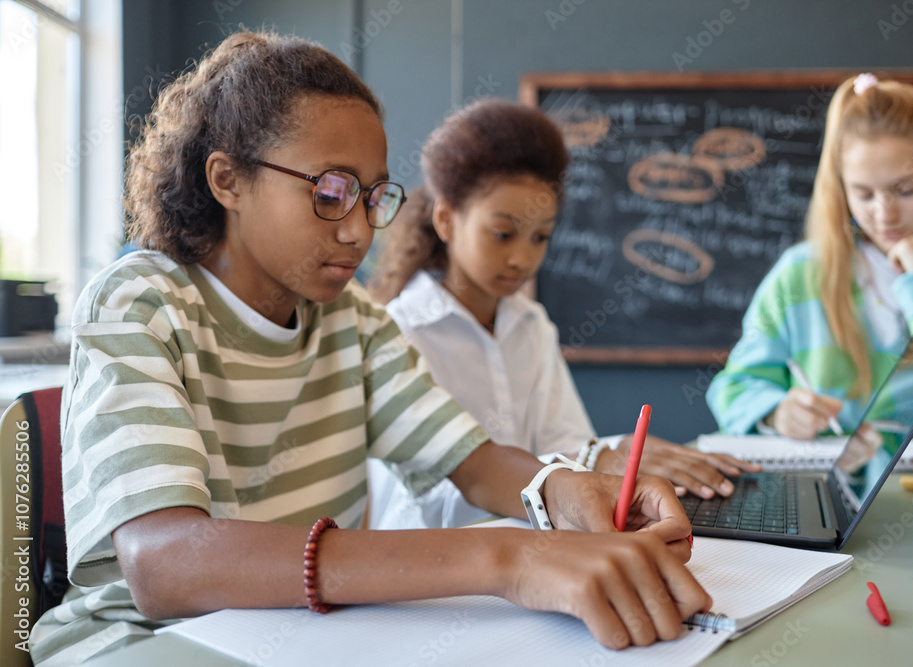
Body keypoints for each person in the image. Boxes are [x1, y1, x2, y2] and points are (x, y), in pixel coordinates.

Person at [28, 32, 711, 665]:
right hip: (141, 643)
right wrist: (508, 557)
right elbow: (166, 563)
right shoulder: (140, 302)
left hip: (297, 636)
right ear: (228, 179)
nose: (358, 230)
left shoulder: (350, 320)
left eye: (373, 196)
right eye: (329, 192)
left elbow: (472, 462)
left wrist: (565, 491)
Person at [365, 99, 758, 529]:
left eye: (540, 237)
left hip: (535, 554)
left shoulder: (530, 325)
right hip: (436, 577)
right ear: (446, 219)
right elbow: (426, 502)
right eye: (502, 233)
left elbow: (567, 442)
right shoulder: (399, 331)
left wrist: (612, 453)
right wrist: (596, 457)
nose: (521, 257)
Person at [707, 74, 913, 454]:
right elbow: (734, 387)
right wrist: (775, 413)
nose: (884, 214)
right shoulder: (800, 275)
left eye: (906, 190)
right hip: (819, 500)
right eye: (863, 194)